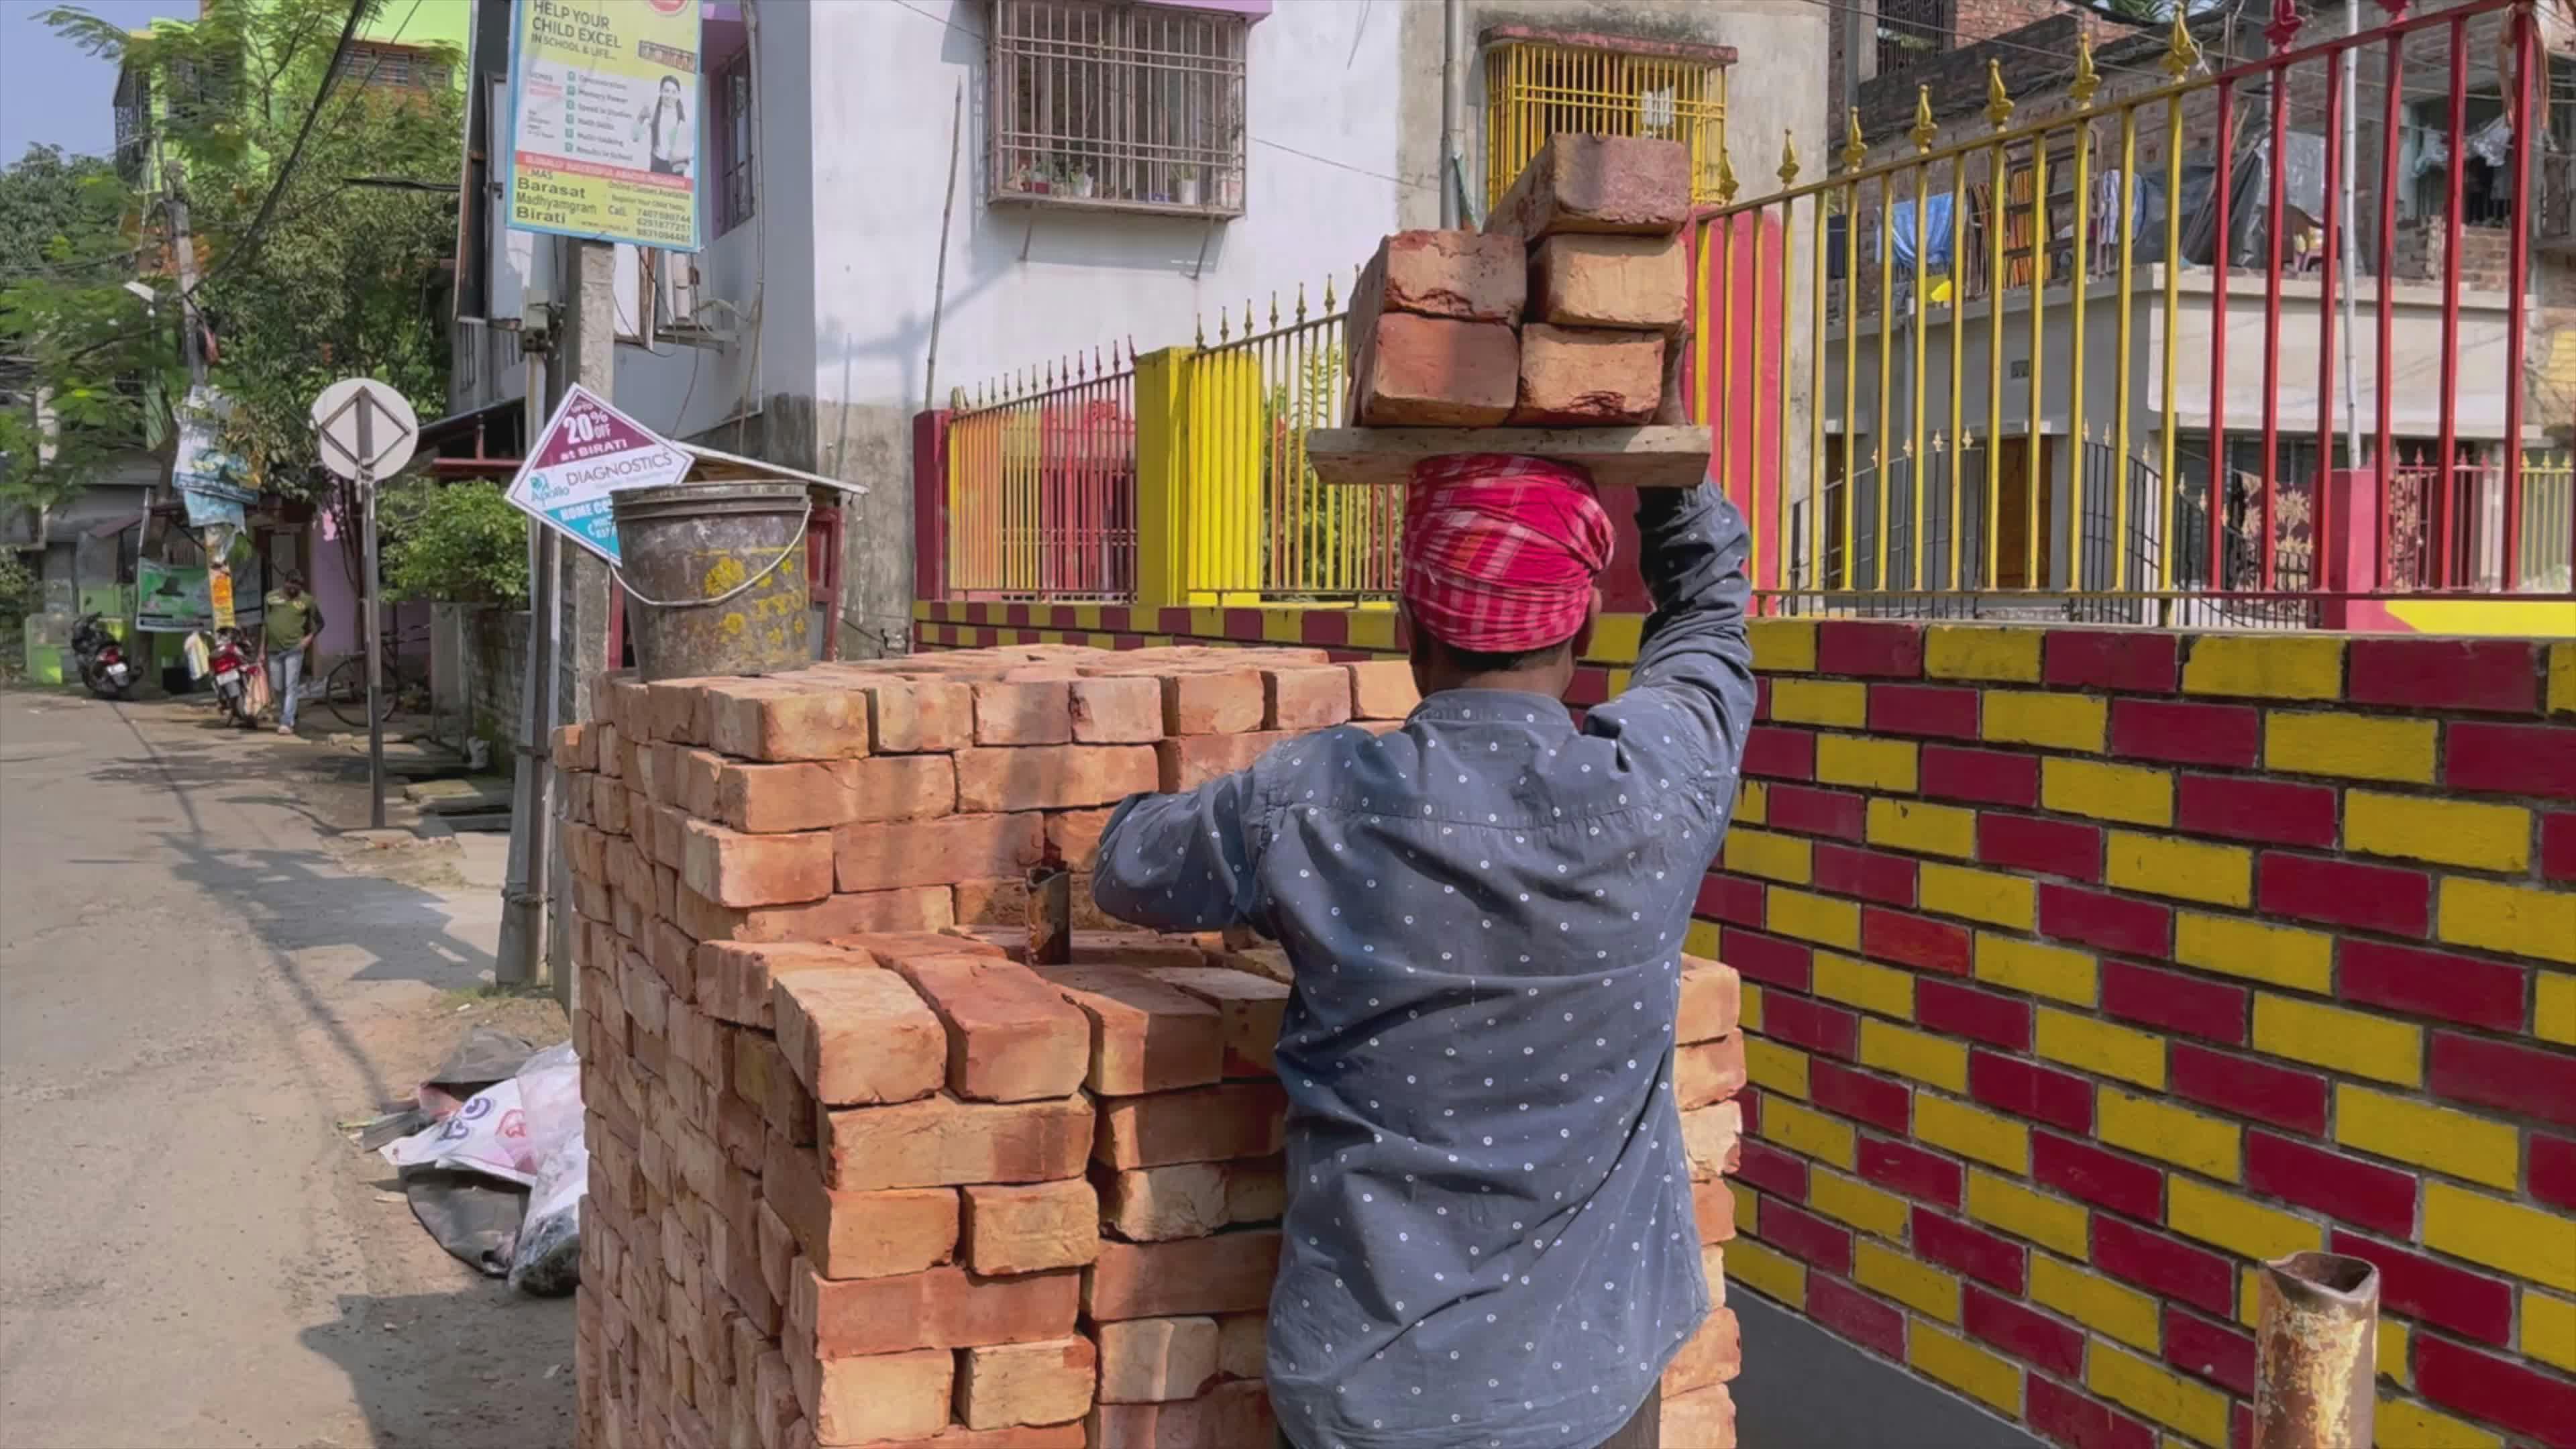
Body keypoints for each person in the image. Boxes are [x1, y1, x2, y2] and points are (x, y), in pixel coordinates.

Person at [1089, 457, 1755, 1449]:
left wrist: (1249, 877)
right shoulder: (1653, 790)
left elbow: (1126, 869)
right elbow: (1708, 619)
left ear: (1410, 630)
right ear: (1582, 632)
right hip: (1586, 1393)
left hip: (1366, 1394)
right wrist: (1659, 464)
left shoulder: (1314, 801)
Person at [264, 569, 322, 735]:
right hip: (273, 650)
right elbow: (265, 624)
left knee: (291, 687)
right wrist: (261, 650)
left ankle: (286, 722)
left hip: (294, 649)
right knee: (277, 688)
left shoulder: (307, 601)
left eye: (298, 586)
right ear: (285, 583)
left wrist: (308, 639)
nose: (295, 589)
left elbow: (321, 623)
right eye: (292, 584)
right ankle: (289, 714)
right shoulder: (271, 598)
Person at [635, 75, 690, 176]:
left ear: (679, 95)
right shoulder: (652, 109)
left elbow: (689, 148)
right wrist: (638, 126)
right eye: (667, 91)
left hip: (677, 167)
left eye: (674, 92)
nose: (670, 96)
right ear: (661, 92)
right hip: (657, 164)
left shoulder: (685, 115)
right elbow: (636, 134)